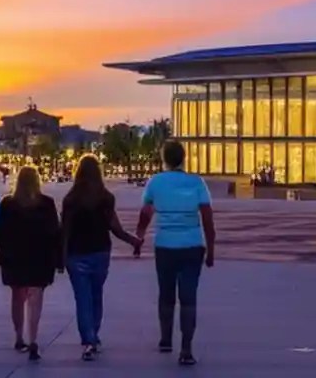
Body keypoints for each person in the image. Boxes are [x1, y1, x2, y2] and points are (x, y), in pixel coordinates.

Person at [136, 140, 216, 367]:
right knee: (189, 298)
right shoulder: (197, 182)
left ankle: (165, 339)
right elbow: (208, 220)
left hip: (165, 246)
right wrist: (211, 250)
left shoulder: (155, 182)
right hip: (192, 246)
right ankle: (187, 349)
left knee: (166, 293)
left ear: (164, 158)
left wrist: (139, 238)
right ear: (183, 157)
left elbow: (146, 213)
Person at [62, 155, 142, 362]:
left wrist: (60, 257)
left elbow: (65, 231)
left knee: (82, 299)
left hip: (76, 254)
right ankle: (94, 335)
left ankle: (88, 340)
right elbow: (115, 227)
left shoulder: (70, 200)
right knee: (96, 295)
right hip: (100, 252)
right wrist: (133, 241)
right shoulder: (106, 198)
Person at [0, 166, 62, 362]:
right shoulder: (47, 204)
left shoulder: (8, 204)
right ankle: (33, 338)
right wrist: (59, 259)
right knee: (35, 297)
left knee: (17, 296)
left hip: (14, 257)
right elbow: (55, 232)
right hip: (40, 257)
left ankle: (19, 337)